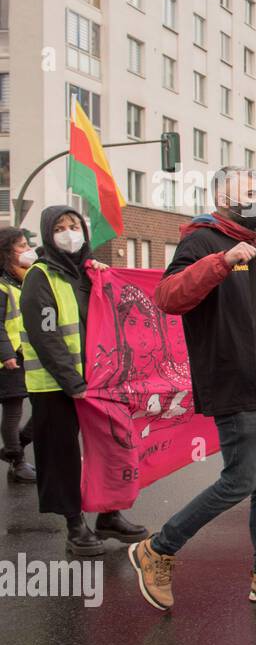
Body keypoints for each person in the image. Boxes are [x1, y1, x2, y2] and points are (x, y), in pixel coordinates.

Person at [128, 167, 256, 611]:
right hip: (233, 379)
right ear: (221, 198)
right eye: (247, 193)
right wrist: (222, 262)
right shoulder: (202, 241)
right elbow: (168, 297)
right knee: (239, 481)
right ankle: (158, 548)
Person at [18, 207, 147, 556]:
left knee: (109, 447)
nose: (68, 233)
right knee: (61, 457)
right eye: (59, 228)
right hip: (55, 385)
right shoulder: (40, 276)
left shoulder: (90, 273)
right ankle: (75, 527)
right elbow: (45, 336)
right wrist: (72, 380)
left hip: (100, 381)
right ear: (48, 234)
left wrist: (107, 278)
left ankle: (109, 514)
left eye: (73, 226)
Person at [1, 227, 36, 483]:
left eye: (27, 244)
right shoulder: (3, 284)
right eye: (21, 245)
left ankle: (15, 449)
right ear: (6, 251)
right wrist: (6, 354)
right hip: (9, 360)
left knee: (44, 408)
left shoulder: (23, 278)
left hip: (27, 354)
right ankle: (17, 461)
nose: (27, 250)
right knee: (13, 411)